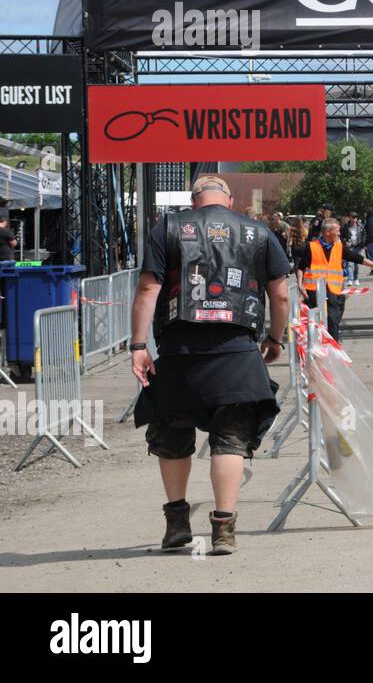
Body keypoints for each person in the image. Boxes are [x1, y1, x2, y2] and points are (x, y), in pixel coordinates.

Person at [128, 175, 291, 556]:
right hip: (236, 348)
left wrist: (138, 345)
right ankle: (223, 530)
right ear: (229, 201)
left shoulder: (167, 228)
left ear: (193, 200)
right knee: (230, 439)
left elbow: (148, 288)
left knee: (172, 436)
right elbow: (280, 294)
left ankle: (176, 525)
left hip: (179, 349)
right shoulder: (259, 231)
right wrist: (275, 338)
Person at [297, 217, 373, 341]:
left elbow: (357, 258)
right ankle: (323, 346)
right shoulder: (311, 247)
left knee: (334, 319)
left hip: (335, 290)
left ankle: (331, 345)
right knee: (320, 322)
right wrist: (300, 285)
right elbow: (300, 267)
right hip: (314, 292)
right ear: (327, 233)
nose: (339, 233)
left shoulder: (339, 247)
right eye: (337, 231)